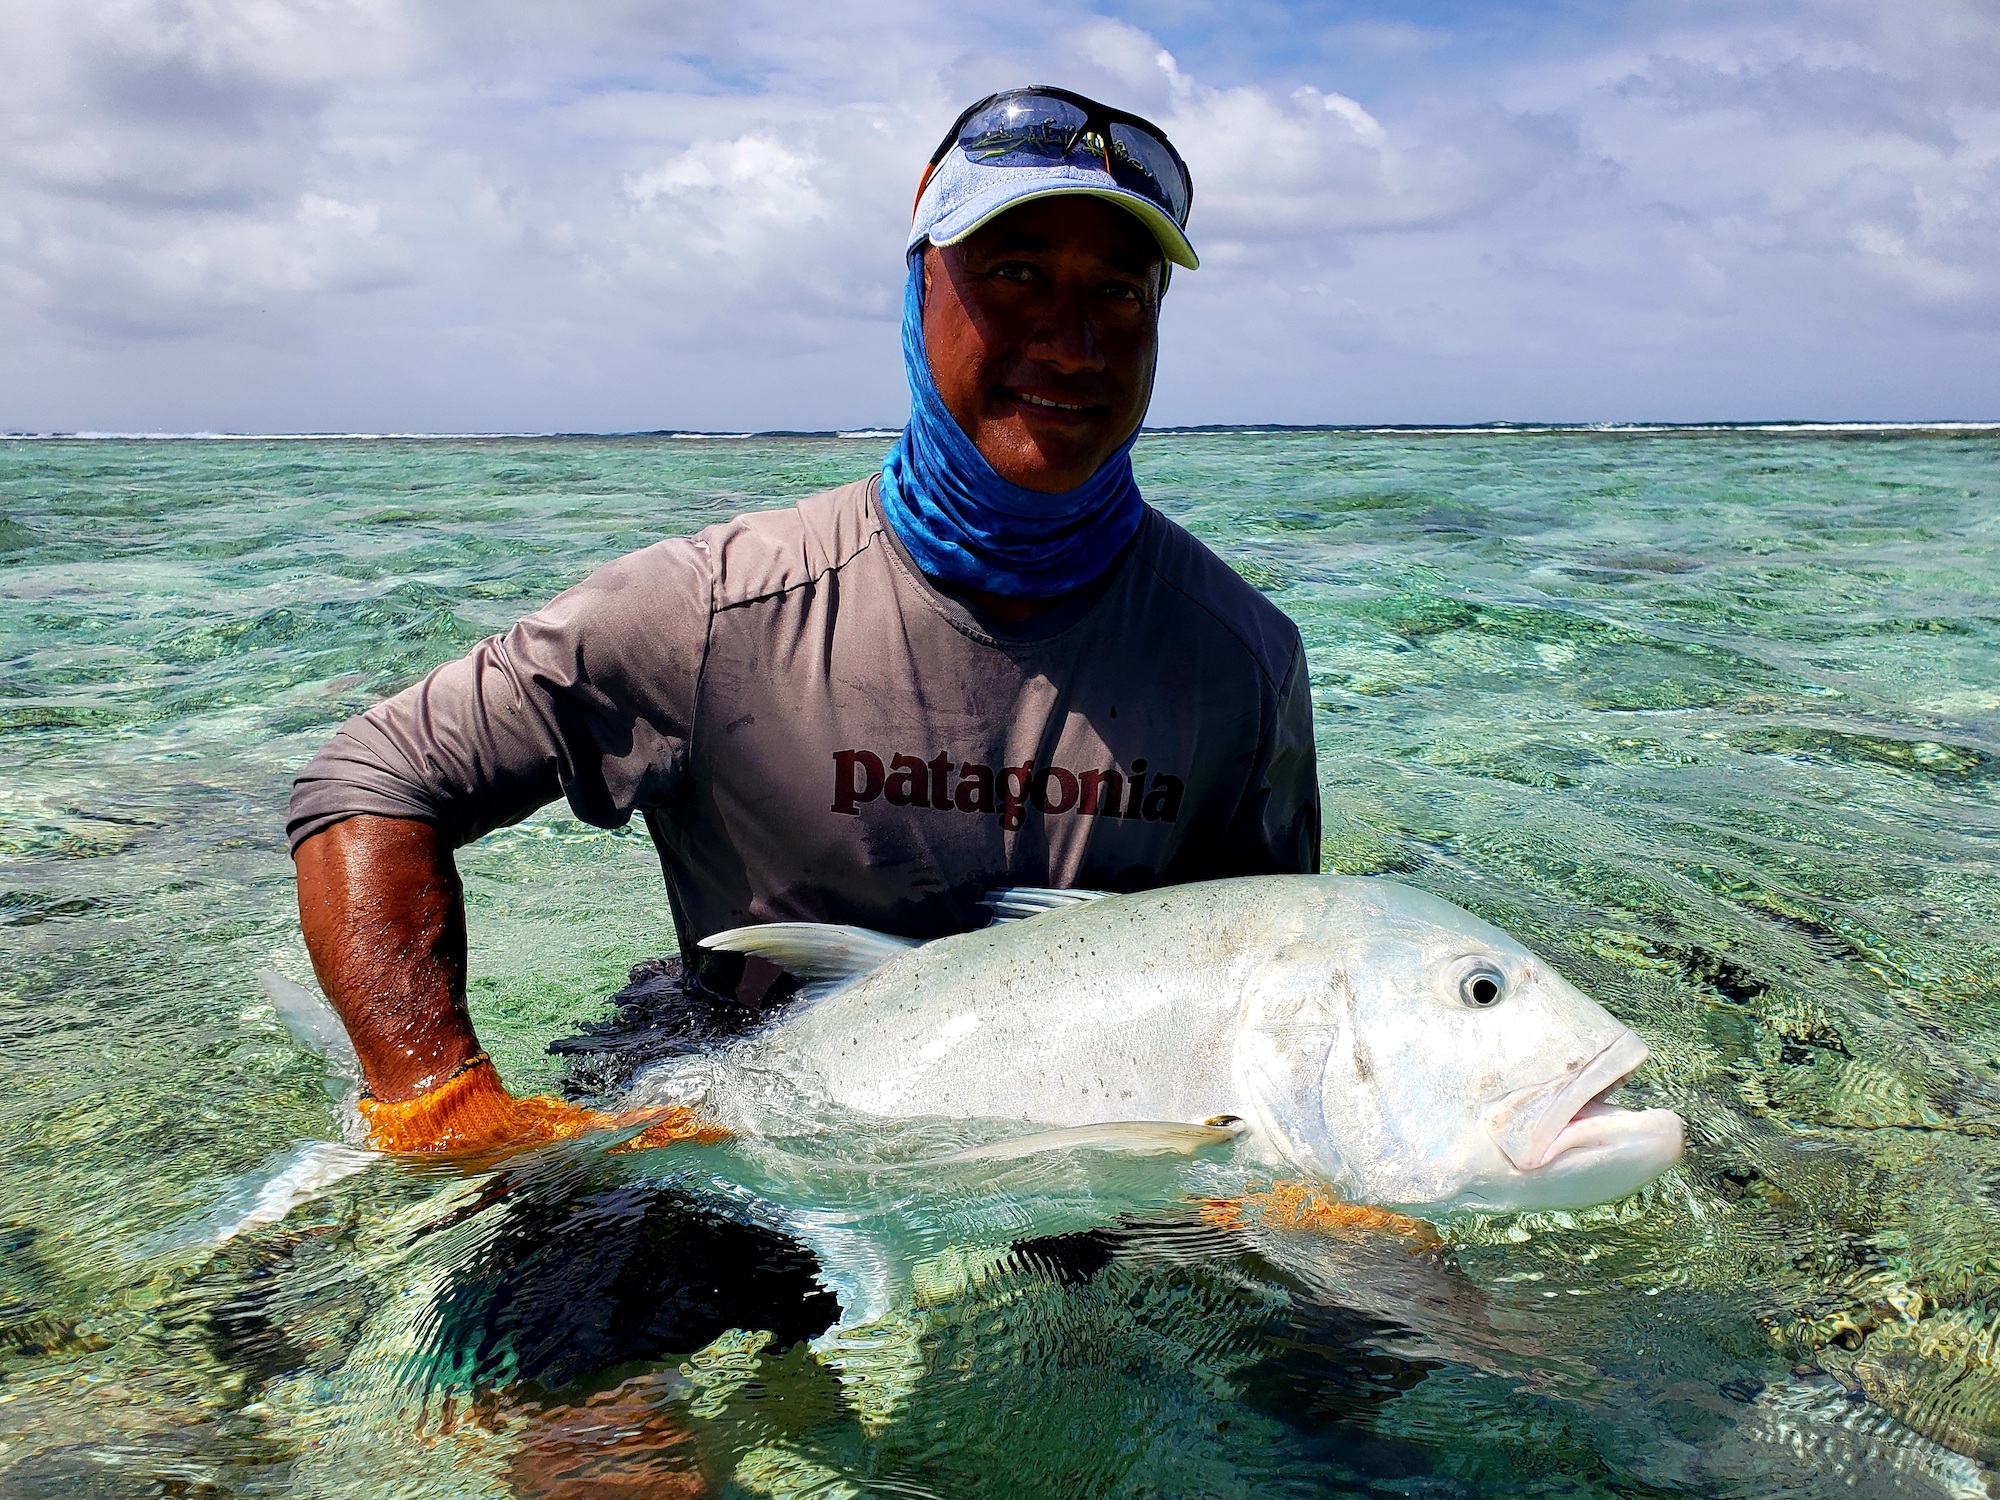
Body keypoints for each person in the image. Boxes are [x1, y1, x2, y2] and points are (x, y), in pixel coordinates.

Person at [288, 86, 1320, 1155]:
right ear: (919, 290)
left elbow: (1273, 981)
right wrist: (431, 1092)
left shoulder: (1241, 662)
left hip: (1073, 1168)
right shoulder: (713, 612)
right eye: (1014, 275)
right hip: (729, 1126)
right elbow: (370, 778)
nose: (1071, 345)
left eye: (1119, 293)